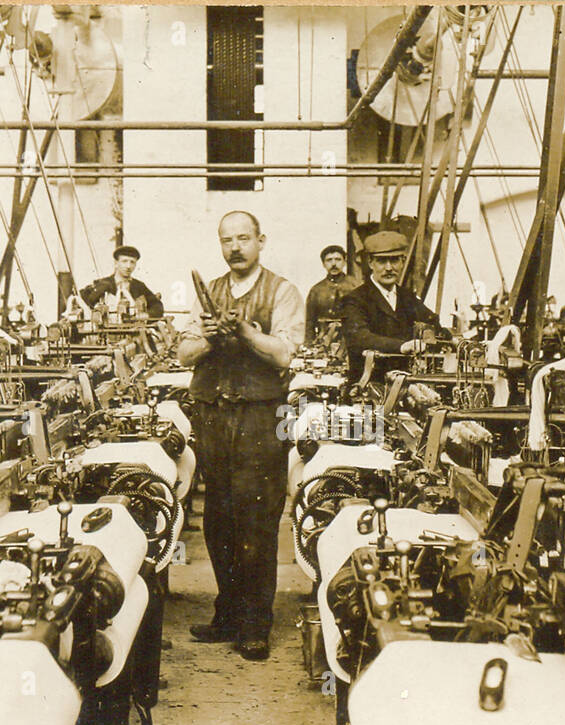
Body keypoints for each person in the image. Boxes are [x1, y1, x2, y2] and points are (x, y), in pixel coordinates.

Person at [177, 211, 305, 661]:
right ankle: (227, 613)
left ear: (260, 240)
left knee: (256, 521)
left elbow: (285, 353)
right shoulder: (207, 292)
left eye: (244, 238)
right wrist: (210, 338)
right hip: (213, 415)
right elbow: (184, 351)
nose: (235, 247)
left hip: (259, 416)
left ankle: (255, 623)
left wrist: (248, 333)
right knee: (218, 520)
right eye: (227, 240)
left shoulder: (283, 291)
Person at [340, 230, 441, 384]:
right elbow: (359, 337)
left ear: (402, 261)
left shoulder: (408, 298)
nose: (388, 268)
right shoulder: (355, 299)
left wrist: (455, 340)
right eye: (382, 261)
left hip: (406, 384)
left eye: (394, 260)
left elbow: (433, 323)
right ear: (370, 263)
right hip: (367, 387)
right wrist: (402, 346)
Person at [79, 245, 164, 320]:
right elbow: (84, 300)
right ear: (116, 263)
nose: (128, 266)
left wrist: (147, 315)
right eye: (124, 261)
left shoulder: (139, 286)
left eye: (132, 262)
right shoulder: (103, 283)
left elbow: (157, 306)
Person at [304, 244, 361, 344]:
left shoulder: (356, 286)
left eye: (338, 259)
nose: (334, 264)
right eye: (329, 260)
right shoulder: (316, 290)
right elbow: (310, 322)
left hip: (352, 340)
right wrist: (309, 344)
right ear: (323, 264)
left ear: (344, 262)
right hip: (324, 340)